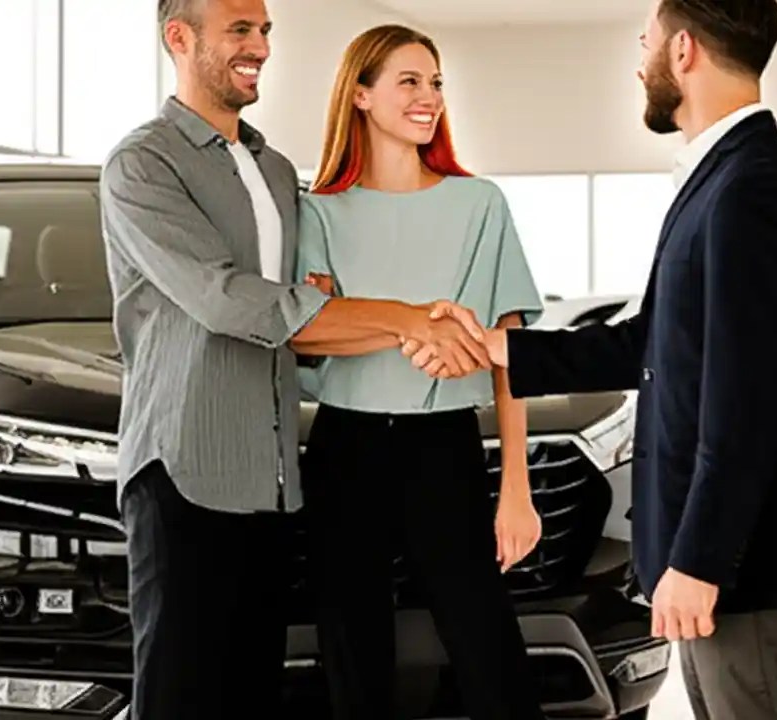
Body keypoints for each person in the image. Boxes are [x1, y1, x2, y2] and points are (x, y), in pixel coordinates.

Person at [450, 1, 777, 718]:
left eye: (645, 44)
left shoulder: (754, 187)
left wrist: (701, 560)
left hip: (744, 570)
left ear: (683, 52)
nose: (640, 62)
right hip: (727, 567)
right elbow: (652, 343)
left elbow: (748, 406)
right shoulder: (724, 179)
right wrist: (499, 349)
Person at [99, 1, 492, 718]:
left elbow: (304, 313)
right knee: (180, 699)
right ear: (179, 39)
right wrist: (405, 320)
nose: (260, 47)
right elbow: (228, 301)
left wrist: (375, 322)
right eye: (240, 31)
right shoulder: (142, 164)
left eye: (266, 31)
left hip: (273, 480)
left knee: (255, 696)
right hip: (184, 472)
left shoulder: (278, 170)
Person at [295, 24, 548, 720]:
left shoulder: (480, 206)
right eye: (409, 81)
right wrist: (418, 325)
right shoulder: (315, 212)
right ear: (362, 94)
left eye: (435, 82)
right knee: (353, 654)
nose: (429, 96)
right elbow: (310, 335)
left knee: (486, 644)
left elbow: (506, 353)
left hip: (445, 448)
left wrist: (517, 489)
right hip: (345, 449)